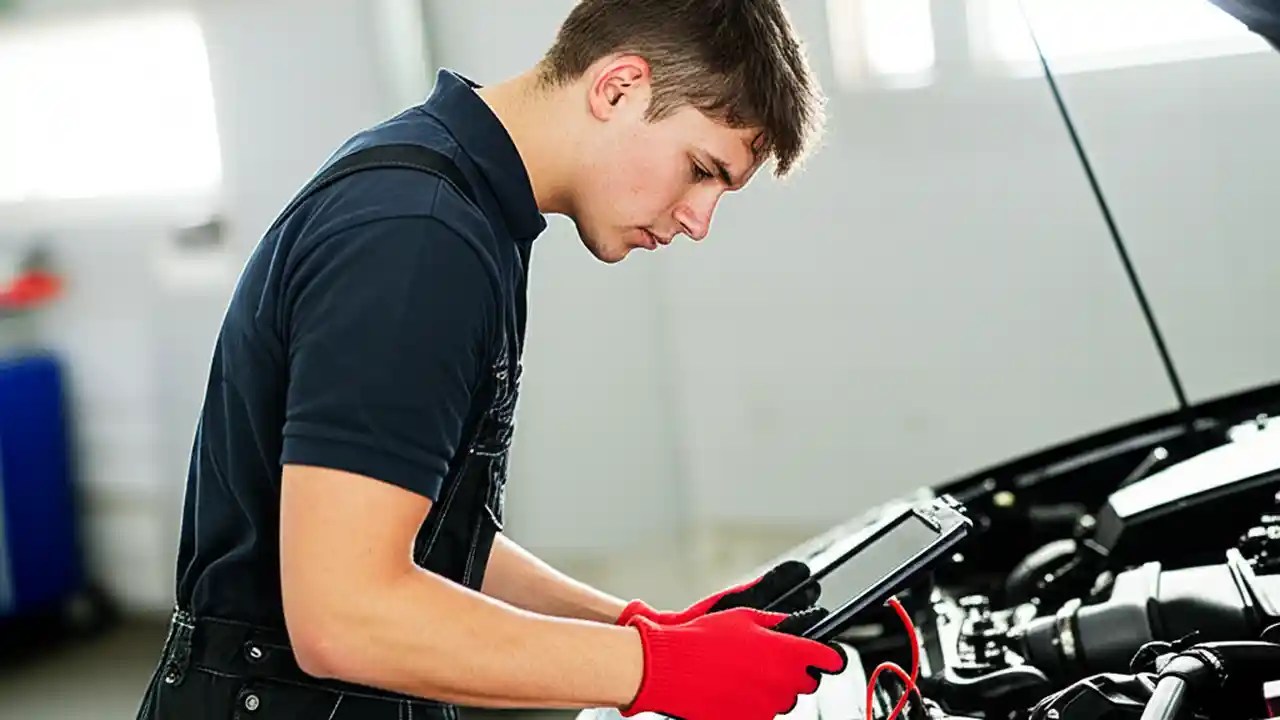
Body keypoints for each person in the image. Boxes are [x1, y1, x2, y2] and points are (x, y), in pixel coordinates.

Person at [136, 1, 848, 719]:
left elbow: (436, 533)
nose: (698, 220)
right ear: (618, 88)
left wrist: (641, 627)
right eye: (699, 170)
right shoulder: (419, 236)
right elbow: (345, 614)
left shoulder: (462, 206)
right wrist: (654, 668)